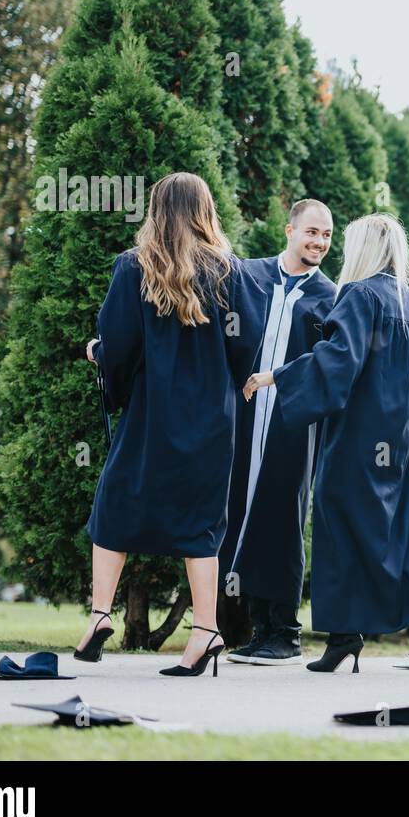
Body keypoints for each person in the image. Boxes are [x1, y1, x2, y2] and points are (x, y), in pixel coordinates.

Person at [244, 214, 409, 672]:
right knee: (395, 531)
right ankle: (407, 621)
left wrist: (278, 375)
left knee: (343, 527)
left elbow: (338, 359)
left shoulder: (358, 295)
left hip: (357, 438)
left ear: (362, 249)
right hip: (403, 441)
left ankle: (354, 635)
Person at [77, 171, 263, 677]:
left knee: (115, 503)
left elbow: (117, 344)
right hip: (211, 418)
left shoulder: (134, 267)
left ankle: (99, 616)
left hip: (152, 413)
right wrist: (237, 380)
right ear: (206, 211)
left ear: (157, 211)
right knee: (202, 522)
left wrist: (102, 360)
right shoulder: (234, 273)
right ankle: (206, 630)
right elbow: (244, 344)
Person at [220, 199, 337, 665]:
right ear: (289, 230)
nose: (319, 242)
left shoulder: (330, 297)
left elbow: (331, 364)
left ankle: (285, 631)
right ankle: (257, 627)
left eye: (327, 236)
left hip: (292, 425)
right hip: (243, 420)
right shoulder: (248, 277)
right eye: (312, 232)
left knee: (282, 519)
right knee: (238, 510)